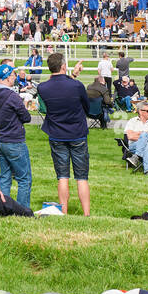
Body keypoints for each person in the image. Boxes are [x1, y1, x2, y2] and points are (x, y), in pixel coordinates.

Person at [35, 52, 91, 216]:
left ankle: (63, 211)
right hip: (77, 133)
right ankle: (86, 214)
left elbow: (61, 89)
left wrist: (73, 75)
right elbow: (86, 106)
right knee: (81, 178)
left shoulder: (43, 87)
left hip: (57, 134)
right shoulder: (77, 85)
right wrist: (73, 76)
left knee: (62, 176)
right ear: (64, 66)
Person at [0, 63, 32, 211]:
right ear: (7, 78)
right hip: (14, 141)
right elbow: (26, 117)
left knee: (5, 177)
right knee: (24, 179)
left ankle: (4, 208)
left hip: (1, 140)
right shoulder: (12, 96)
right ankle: (22, 210)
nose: (15, 77)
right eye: (13, 75)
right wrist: (24, 104)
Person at [123, 98, 148, 175]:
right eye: (147, 111)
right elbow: (130, 136)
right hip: (134, 146)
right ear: (140, 111)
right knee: (147, 145)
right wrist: (146, 135)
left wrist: (140, 134)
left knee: (145, 135)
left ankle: (136, 157)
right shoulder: (132, 121)